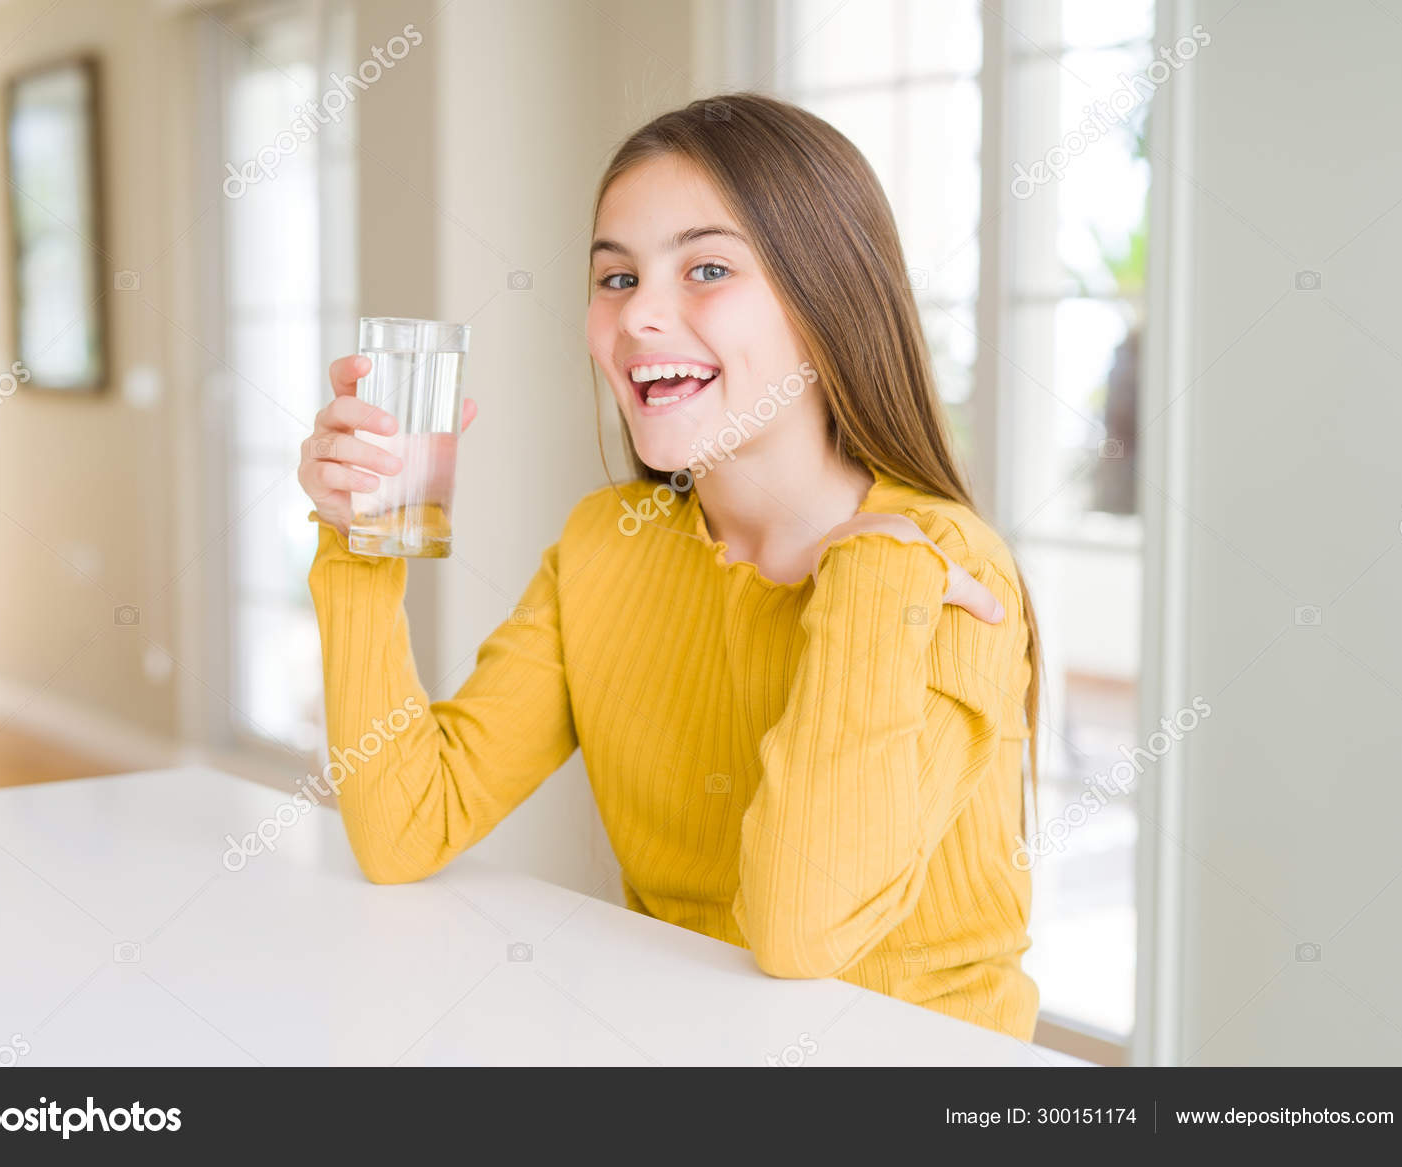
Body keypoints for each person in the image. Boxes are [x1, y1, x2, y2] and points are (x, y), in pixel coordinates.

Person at [300, 93, 1045, 1042]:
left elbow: (799, 929)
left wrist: (870, 581)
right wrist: (361, 534)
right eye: (615, 278)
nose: (641, 316)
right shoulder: (607, 544)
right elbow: (404, 827)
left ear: (828, 305)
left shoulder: (945, 571)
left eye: (706, 268)